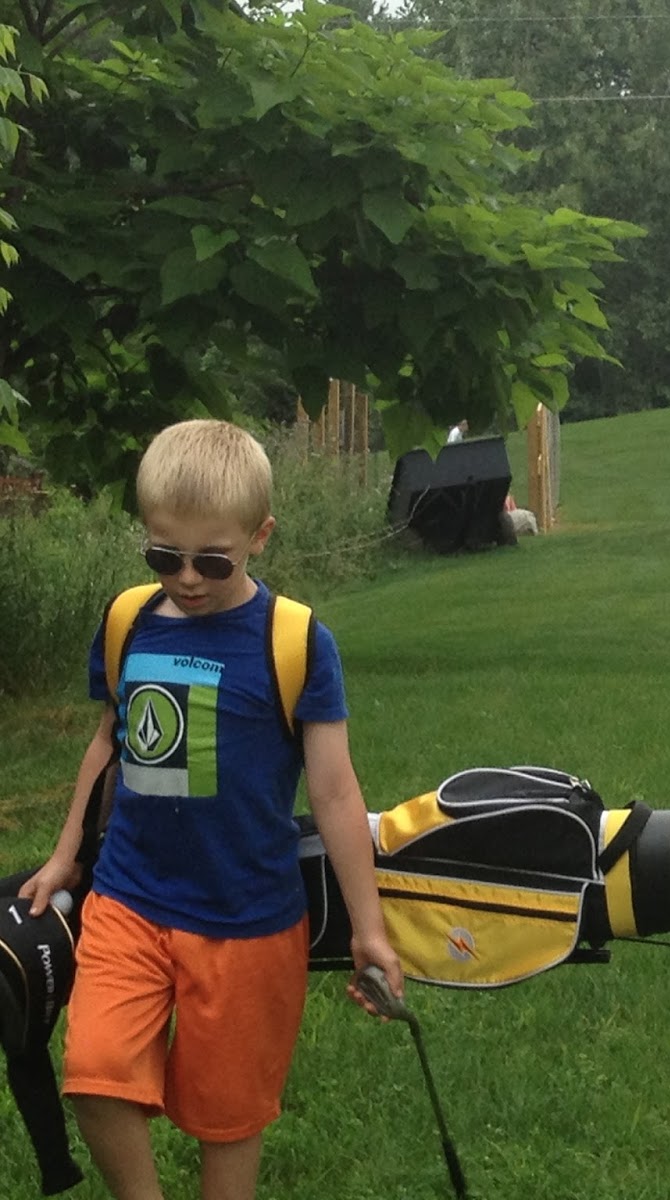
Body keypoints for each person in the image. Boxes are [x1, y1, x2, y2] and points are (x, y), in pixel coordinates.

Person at [18, 419, 403, 1200]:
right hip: (129, 897)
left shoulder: (294, 640)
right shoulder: (129, 620)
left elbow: (333, 791)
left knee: (227, 1125)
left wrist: (369, 926)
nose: (186, 577)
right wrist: (66, 855)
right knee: (94, 1076)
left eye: (211, 559)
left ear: (260, 536)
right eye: (164, 555)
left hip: (247, 921)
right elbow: (108, 746)